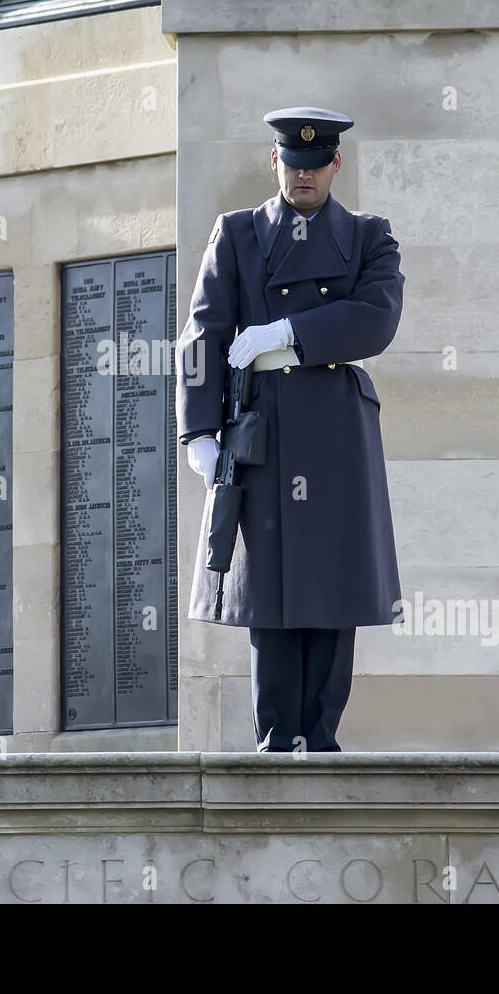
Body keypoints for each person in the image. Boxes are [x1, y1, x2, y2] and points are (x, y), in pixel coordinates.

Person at [175, 106, 405, 752]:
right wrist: (198, 431)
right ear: (274, 162)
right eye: (291, 164)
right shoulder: (239, 232)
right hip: (262, 425)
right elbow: (202, 335)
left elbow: (377, 318)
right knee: (269, 589)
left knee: (333, 584)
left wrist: (288, 333)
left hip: (334, 425)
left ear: (336, 164)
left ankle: (322, 736)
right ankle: (276, 737)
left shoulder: (368, 236)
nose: (302, 176)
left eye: (315, 166)